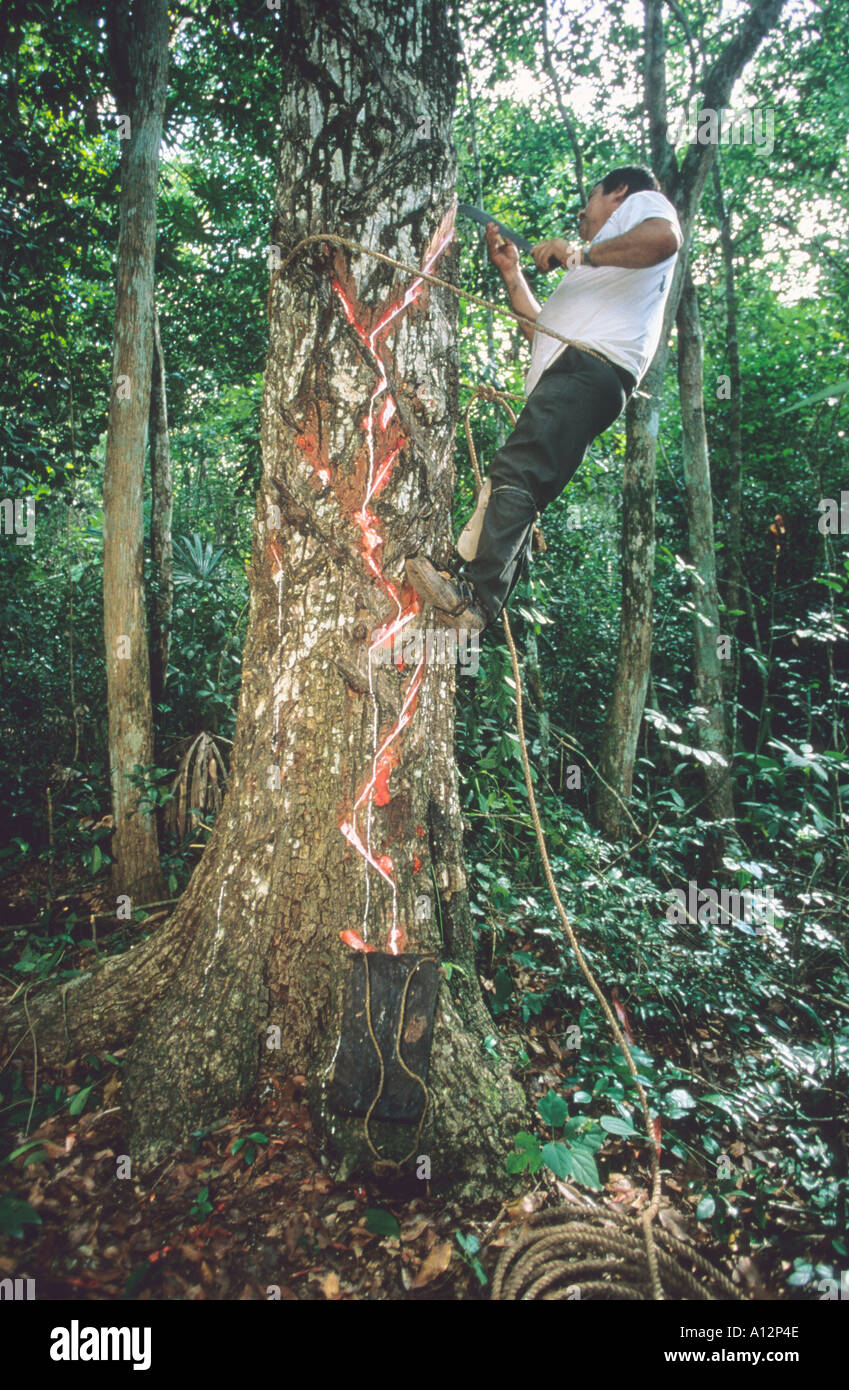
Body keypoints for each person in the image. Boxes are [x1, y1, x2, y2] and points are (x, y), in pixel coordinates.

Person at [405, 165, 683, 632]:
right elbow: (542, 329)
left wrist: (579, 252)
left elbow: (664, 239)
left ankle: (476, 598)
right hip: (579, 374)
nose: (582, 213)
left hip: (588, 370)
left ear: (618, 193)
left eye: (590, 198)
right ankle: (476, 603)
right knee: (519, 485)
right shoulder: (604, 277)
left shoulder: (640, 206)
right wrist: (512, 273)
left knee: (517, 471)